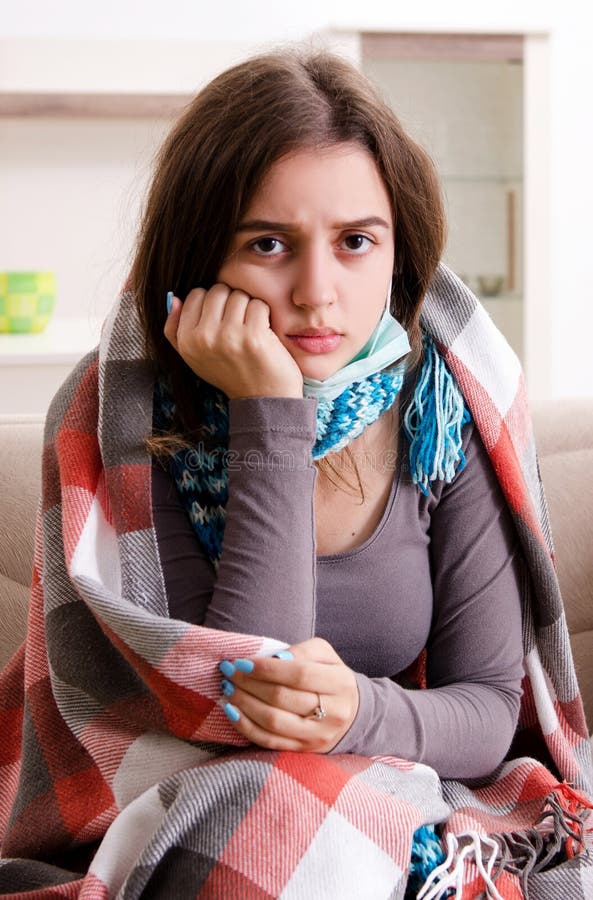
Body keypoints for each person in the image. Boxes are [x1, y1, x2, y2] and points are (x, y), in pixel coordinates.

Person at [1, 44, 592, 900]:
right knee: (267, 804)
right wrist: (269, 416)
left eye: (355, 241)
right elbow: (234, 723)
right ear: (201, 258)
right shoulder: (123, 417)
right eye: (268, 244)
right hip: (165, 811)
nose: (318, 293)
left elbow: (488, 710)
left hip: (394, 810)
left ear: (397, 253)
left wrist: (355, 713)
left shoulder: (443, 404)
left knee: (286, 809)